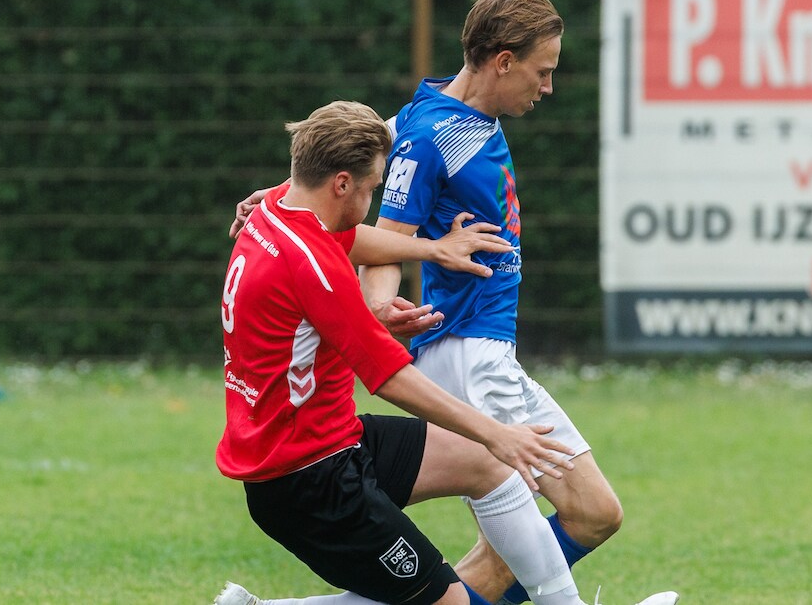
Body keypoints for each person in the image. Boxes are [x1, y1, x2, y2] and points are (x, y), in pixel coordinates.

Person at [228, 0, 679, 605]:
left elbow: (353, 151)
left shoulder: (434, 117)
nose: (546, 88)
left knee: (586, 516)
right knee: (561, 515)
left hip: (479, 352)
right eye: (541, 72)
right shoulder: (439, 134)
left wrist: (287, 196)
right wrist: (373, 295)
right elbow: (386, 227)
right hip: (469, 354)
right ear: (502, 60)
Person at [214, 100, 593, 605]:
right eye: (372, 187)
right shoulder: (313, 264)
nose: (375, 200)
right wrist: (497, 431)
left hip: (329, 440)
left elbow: (349, 241)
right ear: (342, 184)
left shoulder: (278, 209)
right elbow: (388, 374)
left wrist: (434, 249)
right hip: (307, 480)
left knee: (486, 467)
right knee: (451, 599)